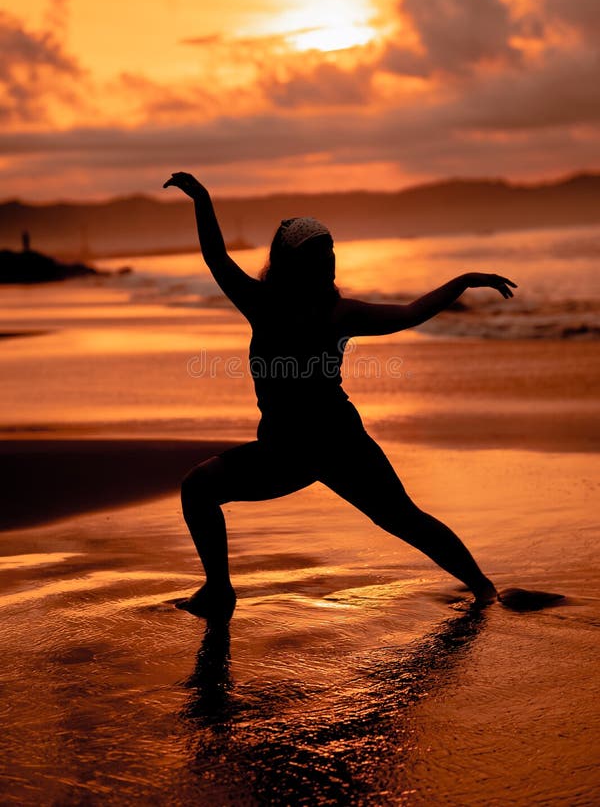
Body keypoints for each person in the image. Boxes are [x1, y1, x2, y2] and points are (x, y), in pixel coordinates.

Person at [164, 171, 518, 624]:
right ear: (294, 262)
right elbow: (216, 256)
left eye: (332, 252)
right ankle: (219, 591)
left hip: (325, 444)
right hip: (299, 447)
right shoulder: (283, 304)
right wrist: (203, 199)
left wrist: (463, 280)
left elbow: (409, 313)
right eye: (319, 255)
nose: (330, 262)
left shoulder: (311, 308)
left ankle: (484, 588)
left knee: (402, 517)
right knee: (198, 489)